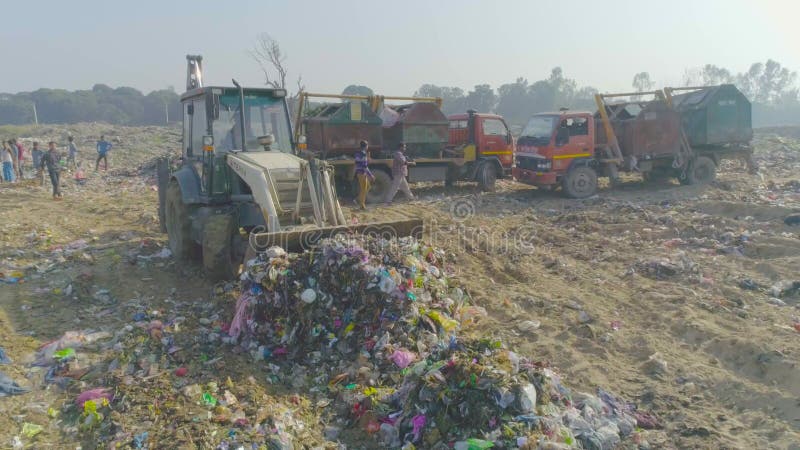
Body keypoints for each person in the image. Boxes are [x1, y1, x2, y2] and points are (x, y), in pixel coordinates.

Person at [354, 140, 374, 210]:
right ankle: (362, 205)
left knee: (367, 187)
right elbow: (365, 166)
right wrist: (370, 175)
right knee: (364, 189)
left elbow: (358, 163)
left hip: (359, 173)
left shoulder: (357, 153)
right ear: (366, 146)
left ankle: (358, 200)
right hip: (363, 173)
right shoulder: (364, 154)